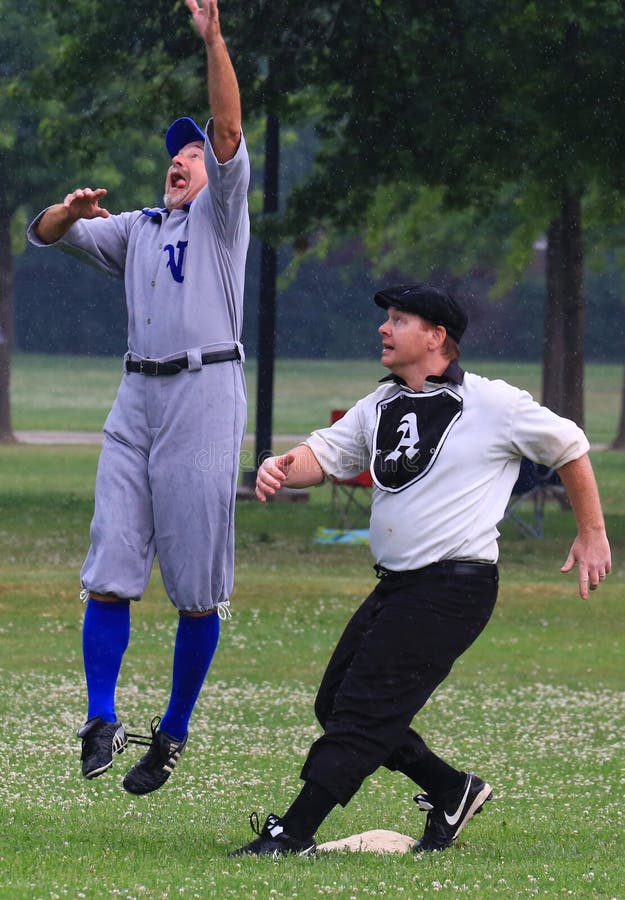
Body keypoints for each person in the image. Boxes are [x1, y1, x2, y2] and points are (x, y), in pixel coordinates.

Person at [231, 282, 611, 855]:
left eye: (399, 319)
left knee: (360, 710)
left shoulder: (494, 403)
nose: (384, 328)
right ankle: (451, 789)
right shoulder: (379, 404)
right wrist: (281, 466)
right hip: (399, 586)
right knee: (334, 703)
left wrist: (593, 532)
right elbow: (326, 455)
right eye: (386, 318)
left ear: (437, 338)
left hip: (454, 587)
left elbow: (570, 445)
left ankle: (292, 832)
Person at [27, 0, 250, 795]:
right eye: (174, 154)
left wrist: (215, 40)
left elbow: (227, 133)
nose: (182, 160)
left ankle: (174, 732)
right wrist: (69, 210)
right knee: (110, 566)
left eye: (190, 153)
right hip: (136, 401)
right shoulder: (139, 227)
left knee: (195, 589)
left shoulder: (223, 219)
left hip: (203, 392)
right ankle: (99, 717)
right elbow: (48, 234)